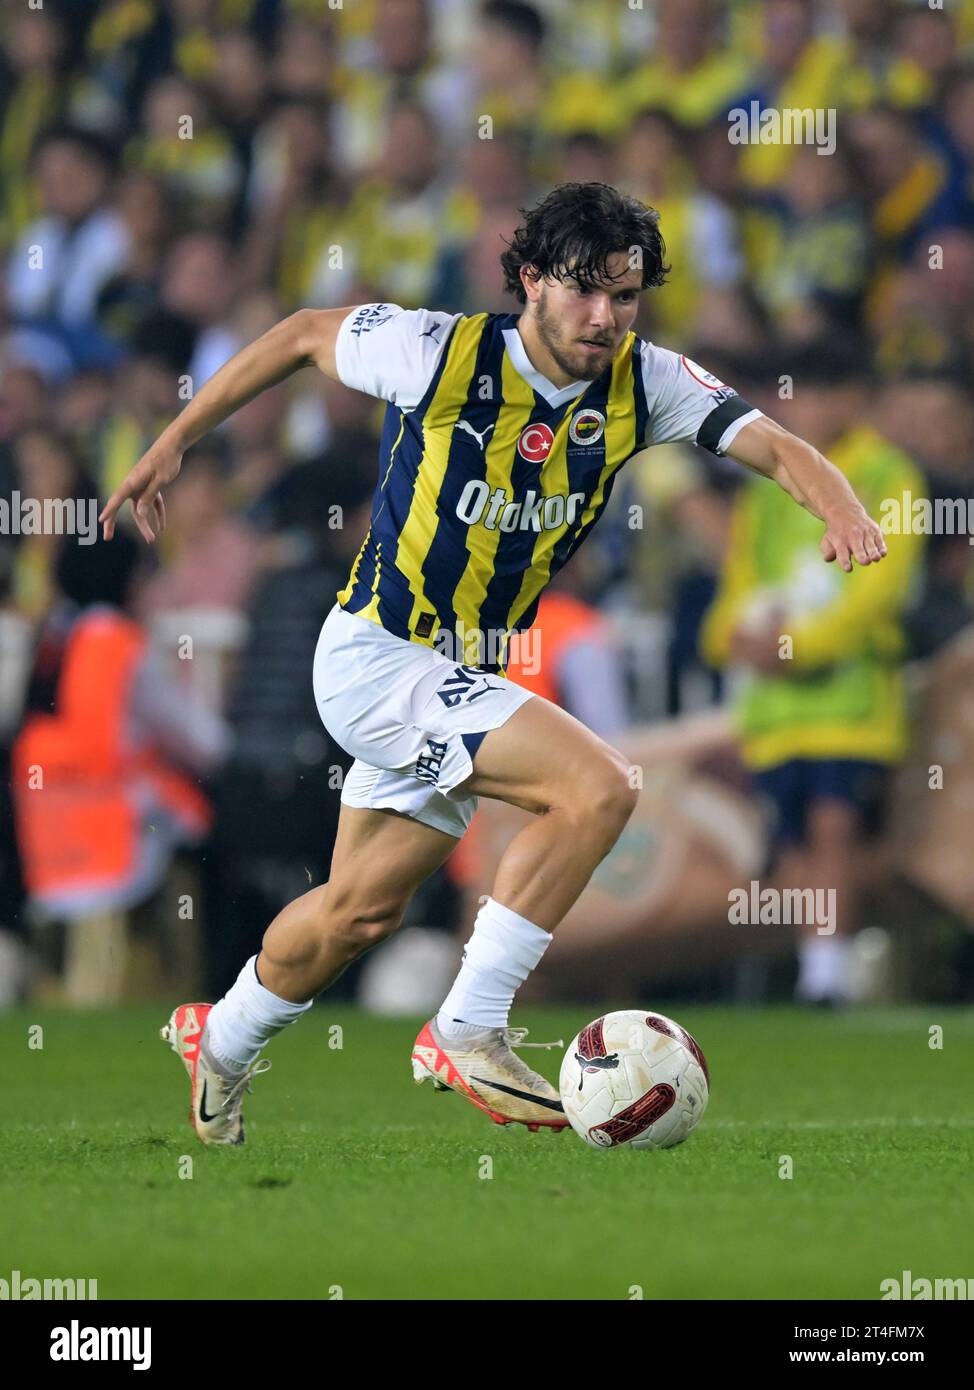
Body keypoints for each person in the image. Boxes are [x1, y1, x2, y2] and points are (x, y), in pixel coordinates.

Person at [100, 182, 888, 1144]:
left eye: (625, 296)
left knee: (355, 915)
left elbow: (772, 444)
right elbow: (305, 332)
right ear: (530, 281)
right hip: (380, 656)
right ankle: (469, 1029)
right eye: (584, 290)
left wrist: (842, 506)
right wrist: (176, 439)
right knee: (599, 788)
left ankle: (219, 1038)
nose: (605, 316)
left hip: (459, 677)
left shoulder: (648, 381)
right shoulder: (439, 350)